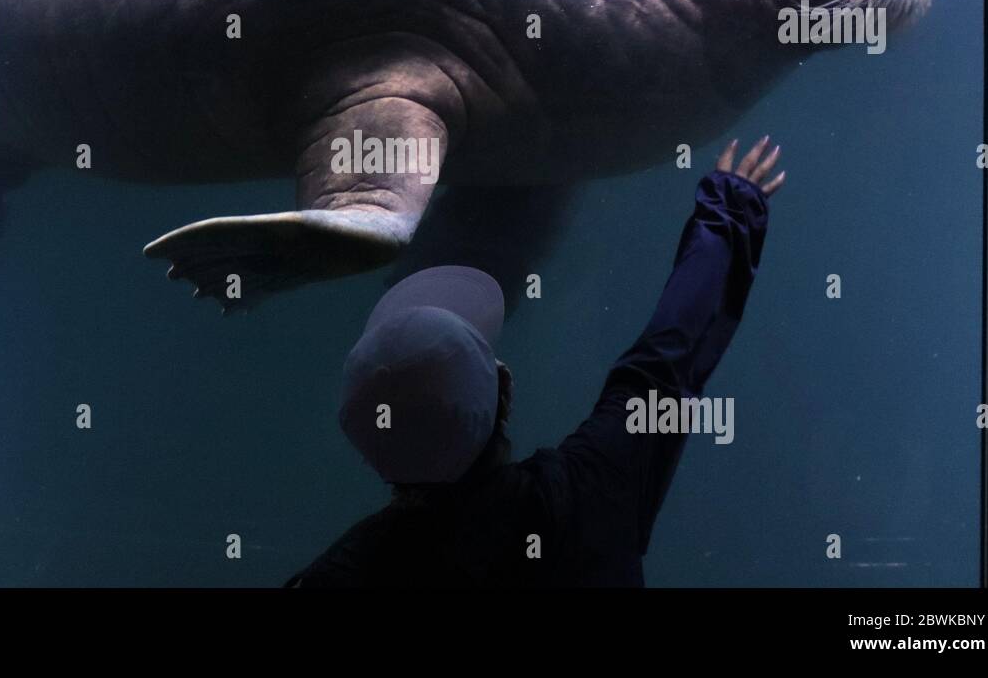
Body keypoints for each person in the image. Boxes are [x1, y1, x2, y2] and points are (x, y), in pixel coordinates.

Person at [285, 137, 784, 587]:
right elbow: (669, 356)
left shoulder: (342, 575)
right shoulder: (588, 494)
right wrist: (730, 209)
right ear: (505, 389)